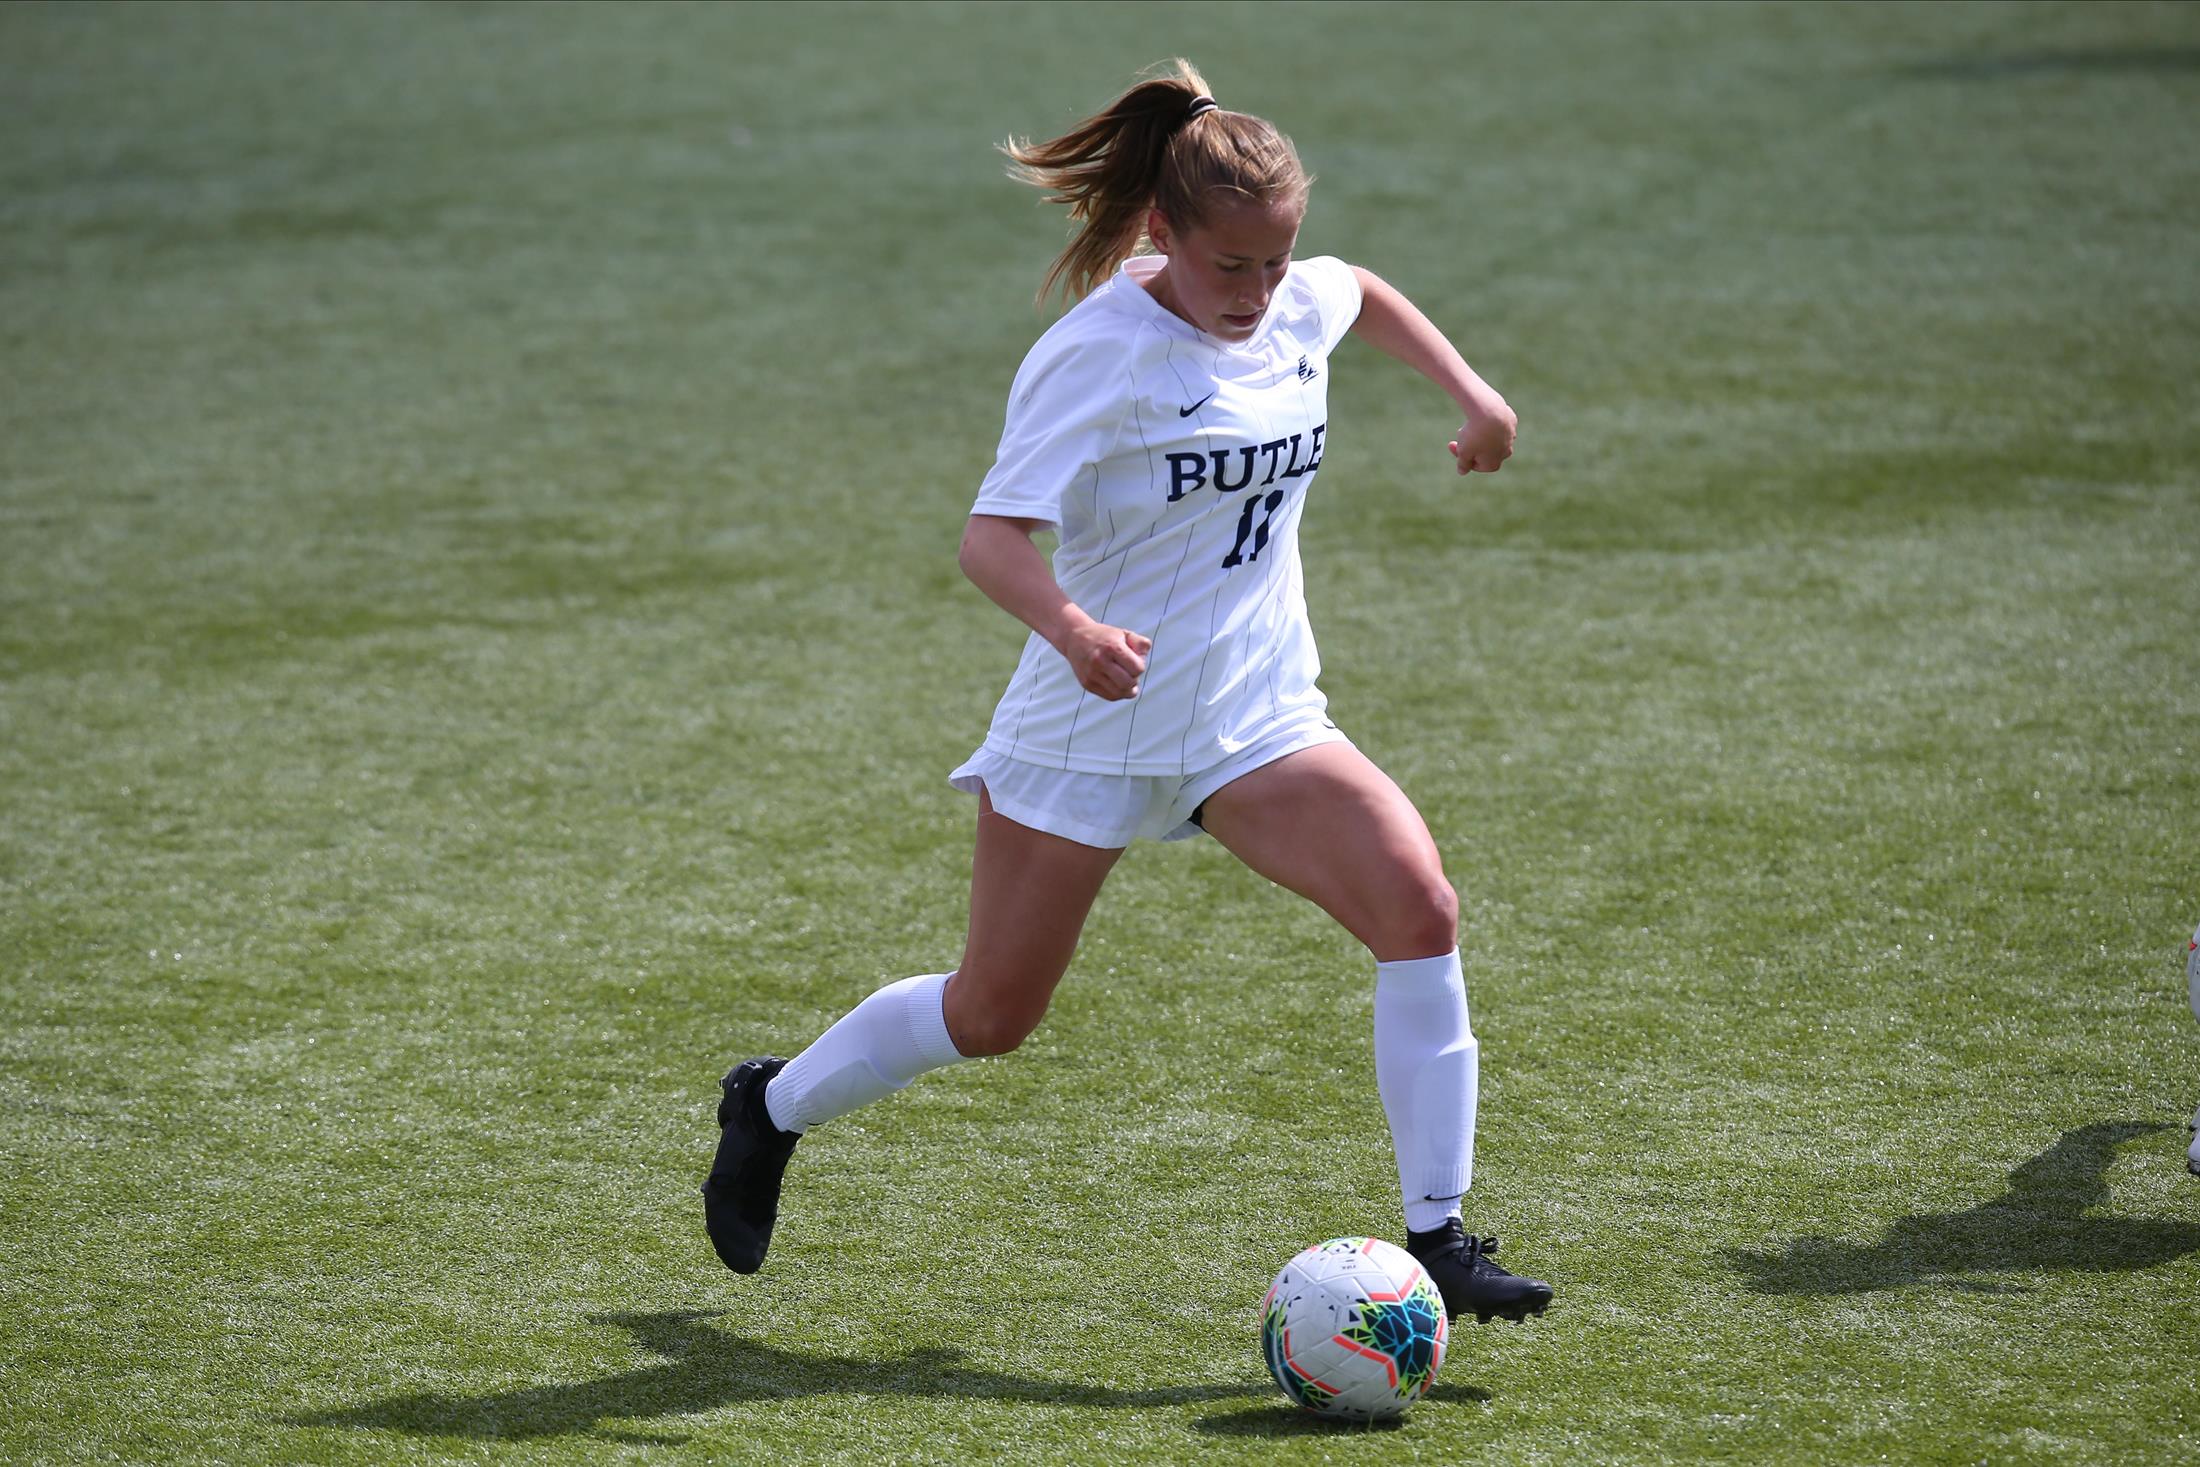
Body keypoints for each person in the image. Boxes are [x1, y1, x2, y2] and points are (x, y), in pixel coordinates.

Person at [703, 60, 1553, 1324]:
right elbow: (989, 541)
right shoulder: (1094, 354)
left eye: (1275, 264)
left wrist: (1473, 395)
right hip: (1092, 726)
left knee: (1419, 907)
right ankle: (767, 1105)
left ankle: (1437, 1234)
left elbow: (1355, 293)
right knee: (991, 1014)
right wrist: (1070, 628)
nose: (1260, 295)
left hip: (1254, 719)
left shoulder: (1289, 299)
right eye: (1232, 270)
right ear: (1163, 232)